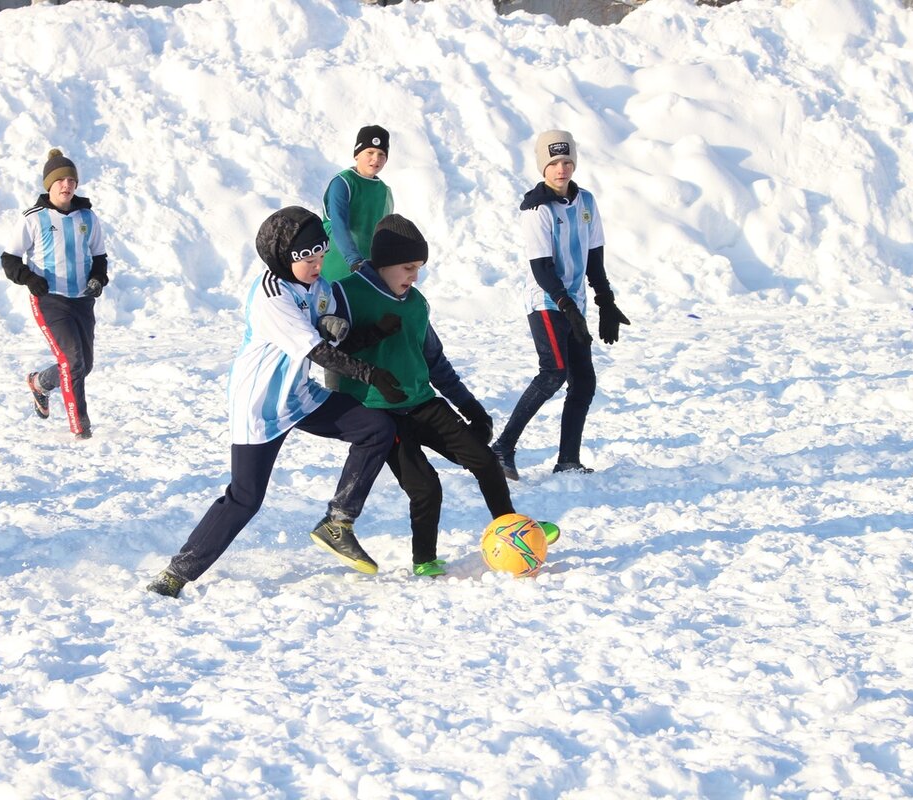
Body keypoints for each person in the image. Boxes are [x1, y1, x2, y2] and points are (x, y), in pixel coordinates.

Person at [146, 206, 408, 599]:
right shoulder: (272, 295)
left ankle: (337, 522)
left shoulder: (319, 288)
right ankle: (176, 573)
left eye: (322, 256)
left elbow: (336, 340)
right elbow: (320, 352)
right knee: (244, 498)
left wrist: (368, 332)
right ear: (284, 258)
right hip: (261, 405)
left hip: (301, 397)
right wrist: (372, 375)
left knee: (376, 429)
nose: (319, 266)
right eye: (310, 259)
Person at [324, 214, 557, 577]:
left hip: (423, 403)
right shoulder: (345, 294)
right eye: (408, 267)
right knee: (426, 487)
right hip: (378, 414)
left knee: (484, 459)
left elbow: (435, 361)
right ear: (385, 263)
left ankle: (513, 529)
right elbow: (329, 351)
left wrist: (470, 406)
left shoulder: (416, 304)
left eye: (418, 267)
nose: (414, 276)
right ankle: (424, 560)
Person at [491, 130, 631, 480]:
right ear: (543, 166)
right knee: (553, 371)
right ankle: (502, 448)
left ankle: (568, 459)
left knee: (583, 382)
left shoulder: (586, 202)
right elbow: (541, 268)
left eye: (567, 161)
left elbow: (594, 257)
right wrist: (565, 305)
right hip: (546, 300)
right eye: (553, 162)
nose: (561, 169)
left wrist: (605, 301)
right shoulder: (536, 208)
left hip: (575, 303)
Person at [1, 148, 109, 440]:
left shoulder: (88, 217)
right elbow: (9, 259)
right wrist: (30, 279)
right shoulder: (34, 218)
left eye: (71, 180)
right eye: (60, 180)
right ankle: (80, 429)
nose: (66, 185)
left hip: (82, 301)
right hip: (50, 301)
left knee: (83, 365)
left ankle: (39, 383)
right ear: (49, 185)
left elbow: (99, 256)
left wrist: (99, 278)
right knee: (72, 362)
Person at [320, 124, 394, 284]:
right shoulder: (343, 182)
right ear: (357, 154)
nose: (376, 159)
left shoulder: (384, 191)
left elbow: (383, 235)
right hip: (337, 264)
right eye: (370, 152)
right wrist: (354, 260)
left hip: (366, 270)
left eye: (382, 154)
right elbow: (339, 225)